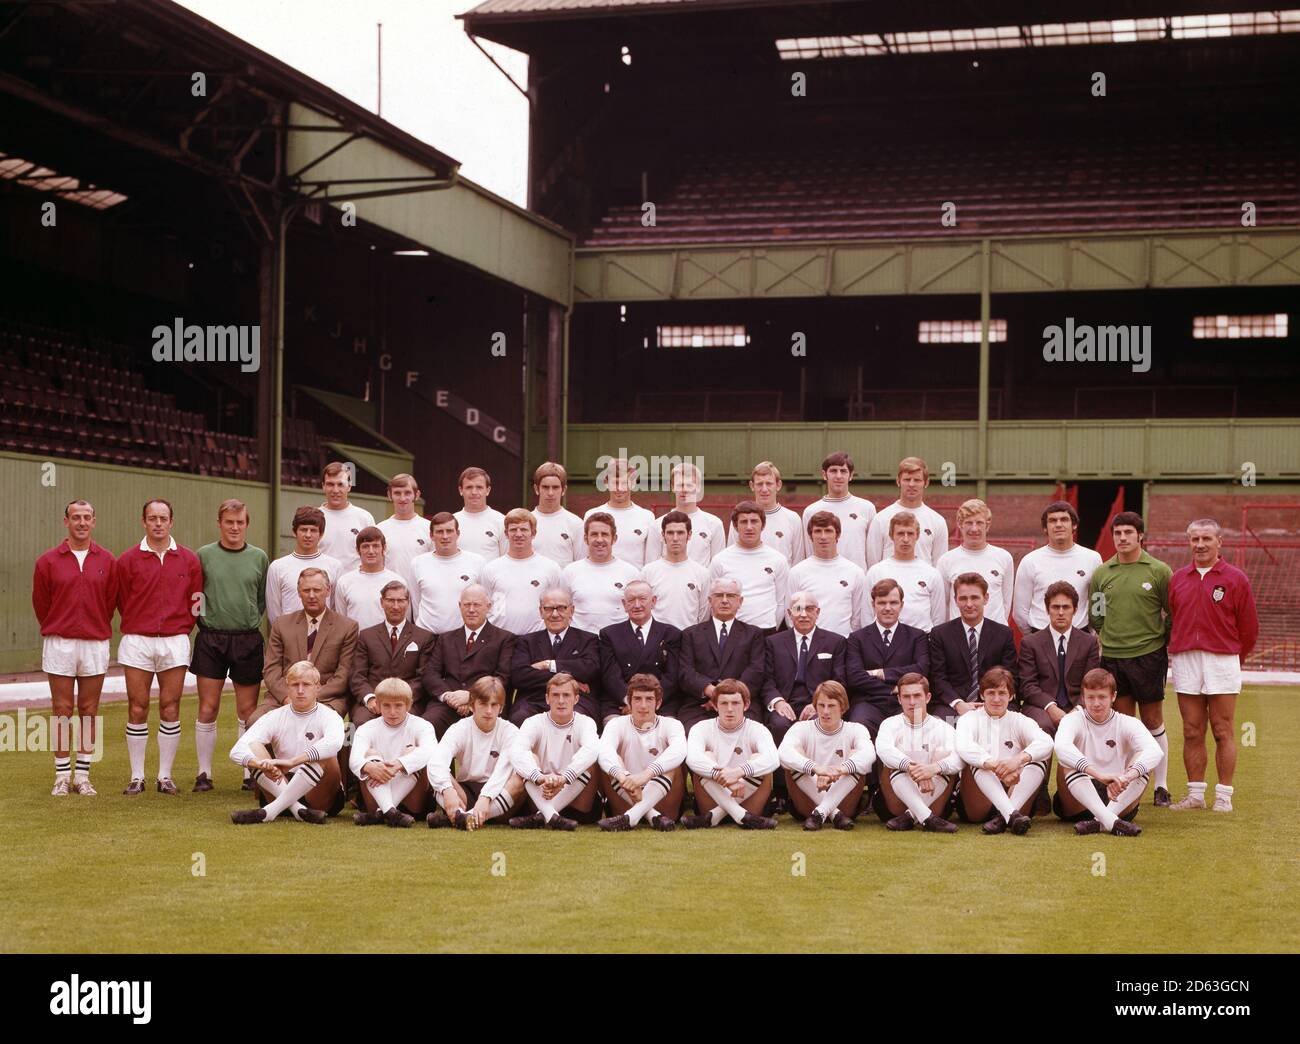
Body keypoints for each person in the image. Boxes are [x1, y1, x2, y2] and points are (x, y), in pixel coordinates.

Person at [1167, 518, 1258, 813]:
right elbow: (1173, 617)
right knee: (1192, 730)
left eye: (1207, 538)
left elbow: (1249, 628)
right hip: (1186, 659)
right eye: (1195, 539)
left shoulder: (1235, 578)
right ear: (1189, 542)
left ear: (1220, 542)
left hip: (1221, 660)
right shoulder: (1179, 578)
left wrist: (1233, 658)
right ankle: (1195, 795)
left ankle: (1223, 797)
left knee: (1222, 730)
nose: (1201, 544)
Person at [117, 498, 203, 796]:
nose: (157, 523)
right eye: (152, 518)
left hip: (175, 641)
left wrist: (181, 628)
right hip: (136, 641)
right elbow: (120, 598)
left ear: (171, 522)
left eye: (162, 518)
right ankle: (137, 776)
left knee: (170, 706)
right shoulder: (127, 560)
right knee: (137, 707)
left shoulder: (189, 559)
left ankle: (165, 776)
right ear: (143, 521)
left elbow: (197, 600)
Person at [33, 499, 117, 796]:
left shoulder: (107, 560)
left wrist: (91, 624)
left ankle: (82, 776)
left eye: (87, 517)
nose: (82, 522)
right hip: (60, 643)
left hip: (95, 643)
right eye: (76, 517)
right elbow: (42, 604)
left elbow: (109, 603)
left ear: (94, 522)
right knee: (61, 709)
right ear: (65, 521)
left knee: (89, 710)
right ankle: (61, 776)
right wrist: (63, 625)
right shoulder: (47, 561)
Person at [1090, 510, 1173, 806]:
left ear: (1140, 536)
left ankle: (1161, 786)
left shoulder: (1159, 571)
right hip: (1113, 657)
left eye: (1128, 533)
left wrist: (1157, 639)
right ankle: (1123, 782)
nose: (1122, 538)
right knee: (1124, 724)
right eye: (1117, 533)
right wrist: (1111, 636)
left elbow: (1171, 611)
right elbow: (1096, 615)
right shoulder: (1102, 573)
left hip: (1148, 657)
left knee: (1152, 721)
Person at [192, 498, 269, 792]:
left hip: (247, 639)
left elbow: (261, 598)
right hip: (211, 638)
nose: (234, 527)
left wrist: (246, 619)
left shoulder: (259, 557)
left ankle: (248, 772)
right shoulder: (204, 555)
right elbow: (196, 595)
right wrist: (206, 622)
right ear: (219, 523)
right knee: (208, 707)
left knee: (247, 709)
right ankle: (204, 773)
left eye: (240, 522)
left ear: (247, 524)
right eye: (229, 522)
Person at [229, 660, 345, 824]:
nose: (300, 690)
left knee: (326, 754)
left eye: (306, 685)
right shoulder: (274, 716)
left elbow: (334, 744)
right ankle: (298, 810)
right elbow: (236, 750)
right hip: (279, 784)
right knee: (253, 747)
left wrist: (292, 762)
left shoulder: (330, 716)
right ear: (287, 687)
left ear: (317, 687)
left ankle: (269, 812)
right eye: (294, 685)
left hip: (318, 795)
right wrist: (260, 764)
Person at [1054, 668, 1161, 836]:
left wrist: (1127, 777)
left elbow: (1155, 751)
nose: (1096, 703)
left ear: (1114, 696)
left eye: (1102, 697)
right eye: (1090, 697)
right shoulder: (1071, 719)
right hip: (1079, 799)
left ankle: (1100, 822)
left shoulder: (1127, 722)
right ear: (1083, 697)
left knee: (1144, 760)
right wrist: (1098, 775)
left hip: (1118, 795)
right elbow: (1061, 747)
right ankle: (1111, 822)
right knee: (1066, 761)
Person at [954, 667, 1053, 834]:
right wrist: (998, 768)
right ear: (981, 694)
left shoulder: (1020, 720)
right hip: (977, 802)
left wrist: (1017, 761)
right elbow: (964, 747)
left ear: (1012, 695)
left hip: (1014, 792)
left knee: (1039, 757)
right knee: (978, 761)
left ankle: (1006, 817)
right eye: (991, 693)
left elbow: (1046, 742)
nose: (996, 699)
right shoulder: (968, 719)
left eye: (1002, 693)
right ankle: (1010, 815)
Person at [254, 568, 358, 723]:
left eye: (317, 590)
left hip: (326, 699)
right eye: (306, 590)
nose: (311, 595)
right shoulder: (281, 624)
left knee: (320, 724)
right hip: (284, 698)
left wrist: (310, 697)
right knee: (255, 721)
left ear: (328, 590)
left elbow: (343, 674)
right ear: (298, 592)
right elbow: (271, 670)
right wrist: (288, 697)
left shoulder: (347, 627)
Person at [426, 676, 524, 829]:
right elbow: (437, 761)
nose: (489, 711)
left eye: (494, 705)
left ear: (501, 708)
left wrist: (486, 797)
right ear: (472, 705)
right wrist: (447, 790)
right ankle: (463, 816)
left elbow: (503, 771)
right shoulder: (459, 728)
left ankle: (463, 818)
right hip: (466, 793)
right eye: (483, 704)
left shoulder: (510, 731)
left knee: (521, 776)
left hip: (498, 794)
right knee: (435, 769)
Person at [681, 680, 779, 830]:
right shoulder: (701, 728)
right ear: (714, 705)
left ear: (746, 705)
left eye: (735, 703)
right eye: (724, 703)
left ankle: (713, 818)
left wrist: (737, 773)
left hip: (748, 798)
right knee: (705, 757)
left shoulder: (758, 729)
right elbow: (692, 759)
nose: (730, 709)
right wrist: (728, 780)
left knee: (759, 759)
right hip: (712, 798)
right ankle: (742, 816)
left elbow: (773, 759)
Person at [507, 673, 602, 830]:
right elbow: (516, 752)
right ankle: (550, 814)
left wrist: (564, 779)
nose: (561, 701)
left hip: (578, 804)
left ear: (576, 699)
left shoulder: (586, 722)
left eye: (566, 695)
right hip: (543, 794)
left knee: (591, 761)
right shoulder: (533, 722)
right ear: (547, 699)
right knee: (527, 758)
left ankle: (542, 816)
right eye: (555, 695)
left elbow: (591, 750)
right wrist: (540, 778)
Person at [777, 680, 874, 830]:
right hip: (807, 802)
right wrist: (817, 769)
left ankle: (821, 812)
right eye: (821, 706)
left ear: (843, 707)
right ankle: (834, 814)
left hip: (845, 800)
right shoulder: (801, 728)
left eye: (831, 706)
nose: (825, 711)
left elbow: (869, 754)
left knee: (858, 760)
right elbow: (783, 753)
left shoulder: (856, 729)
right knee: (793, 759)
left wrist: (839, 770)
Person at [596, 673, 687, 831]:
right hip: (625, 795)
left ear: (658, 703)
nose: (643, 705)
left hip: (664, 802)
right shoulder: (616, 724)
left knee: (672, 764)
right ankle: (651, 816)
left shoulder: (672, 724)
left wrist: (645, 775)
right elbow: (604, 752)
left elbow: (680, 750)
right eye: (637, 699)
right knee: (611, 760)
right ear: (629, 702)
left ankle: (631, 818)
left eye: (649, 699)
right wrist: (624, 777)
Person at [421, 584, 513, 737]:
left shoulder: (504, 639)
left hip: (485, 703)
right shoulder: (446, 638)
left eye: (476, 604)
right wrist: (449, 696)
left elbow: (503, 677)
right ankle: (439, 762)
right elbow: (430, 673)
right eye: (466, 604)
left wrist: (471, 697)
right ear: (460, 606)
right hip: (447, 704)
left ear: (488, 606)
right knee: (427, 726)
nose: (471, 609)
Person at [675, 578, 767, 732]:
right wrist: (712, 692)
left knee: (750, 735)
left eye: (730, 596)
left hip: (741, 704)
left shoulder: (753, 634)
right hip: (700, 704)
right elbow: (686, 672)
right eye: (719, 595)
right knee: (692, 734)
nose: (724, 601)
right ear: (710, 600)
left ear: (740, 601)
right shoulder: (690, 634)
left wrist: (726, 698)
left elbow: (756, 671)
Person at [873, 673, 961, 832]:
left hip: (934, 796)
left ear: (927, 697)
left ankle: (912, 816)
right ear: (899, 699)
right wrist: (915, 769)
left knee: (945, 758)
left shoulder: (943, 727)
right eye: (906, 697)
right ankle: (927, 818)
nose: (912, 702)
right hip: (894, 802)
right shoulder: (889, 724)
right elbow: (883, 750)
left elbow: (958, 760)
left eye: (917, 696)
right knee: (893, 759)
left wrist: (933, 769)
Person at [845, 579, 930, 737]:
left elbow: (921, 670)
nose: (888, 608)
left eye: (893, 602)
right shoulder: (857, 638)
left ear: (901, 605)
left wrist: (881, 673)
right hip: (868, 702)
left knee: (915, 728)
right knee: (859, 726)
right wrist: (893, 689)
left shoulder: (917, 636)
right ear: (873, 605)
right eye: (882, 603)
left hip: (906, 702)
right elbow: (855, 676)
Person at [927, 572, 1017, 722]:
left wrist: (990, 703)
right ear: (955, 600)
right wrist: (958, 704)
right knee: (945, 726)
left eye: (975, 597)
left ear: (986, 598)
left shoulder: (1003, 634)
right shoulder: (940, 634)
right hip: (951, 704)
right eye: (963, 598)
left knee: (1001, 727)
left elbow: (1010, 676)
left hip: (994, 701)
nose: (969, 604)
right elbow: (938, 677)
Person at [349, 678, 437, 827]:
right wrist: (370, 767)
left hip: (413, 802)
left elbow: (430, 751)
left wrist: (399, 764)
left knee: (413, 752)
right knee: (370, 755)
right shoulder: (366, 728)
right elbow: (354, 759)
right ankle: (390, 812)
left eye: (398, 706)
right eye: (386, 705)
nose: (392, 712)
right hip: (377, 794)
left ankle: (382, 813)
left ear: (409, 705)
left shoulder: (423, 725)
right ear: (377, 704)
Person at [760, 592, 845, 745]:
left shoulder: (836, 642)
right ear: (789, 613)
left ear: (817, 612)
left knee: (819, 723)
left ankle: (816, 769)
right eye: (798, 609)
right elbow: (766, 679)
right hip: (785, 699)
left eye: (809, 609)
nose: (803, 614)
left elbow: (839, 680)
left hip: (819, 702)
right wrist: (778, 702)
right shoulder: (773, 642)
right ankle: (784, 769)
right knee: (779, 724)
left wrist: (818, 704)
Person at [508, 586, 601, 724]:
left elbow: (589, 669)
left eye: (561, 608)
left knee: (580, 721)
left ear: (572, 610)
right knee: (519, 717)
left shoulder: (588, 639)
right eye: (549, 608)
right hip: (535, 699)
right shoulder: (526, 641)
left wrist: (548, 665)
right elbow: (519, 675)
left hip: (576, 700)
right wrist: (570, 681)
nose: (555, 614)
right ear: (541, 611)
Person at [1018, 581, 1101, 734]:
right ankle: (1039, 759)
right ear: (1047, 610)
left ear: (1075, 609)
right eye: (1055, 607)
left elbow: (1092, 683)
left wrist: (1078, 709)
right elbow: (1028, 685)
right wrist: (1051, 707)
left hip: (1078, 704)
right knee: (1041, 726)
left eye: (1066, 607)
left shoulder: (1089, 642)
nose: (1061, 612)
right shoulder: (1030, 643)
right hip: (1041, 705)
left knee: (1086, 725)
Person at [349, 581, 436, 726]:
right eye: (390, 600)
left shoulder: (424, 637)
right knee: (360, 721)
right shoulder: (366, 636)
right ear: (382, 602)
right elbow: (357, 675)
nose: (395, 606)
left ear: (408, 603)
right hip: (375, 700)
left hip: (407, 701)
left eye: (400, 601)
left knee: (409, 724)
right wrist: (370, 698)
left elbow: (423, 677)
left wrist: (402, 699)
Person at [1012, 501, 1102, 634]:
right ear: (1045, 528)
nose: (1058, 524)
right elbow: (1020, 611)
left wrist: (1090, 635)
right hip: (1040, 635)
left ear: (1074, 525)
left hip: (1080, 635)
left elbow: (1098, 603)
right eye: (1053, 521)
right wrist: (1035, 638)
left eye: (1064, 520)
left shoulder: (1093, 558)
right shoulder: (1030, 561)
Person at [598, 580, 680, 721]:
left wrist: (650, 703)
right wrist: (629, 702)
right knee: (614, 729)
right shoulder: (609, 634)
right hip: (620, 703)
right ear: (624, 605)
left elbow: (672, 677)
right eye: (631, 600)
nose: (637, 605)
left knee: (668, 732)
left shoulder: (671, 634)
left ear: (653, 601)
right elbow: (611, 675)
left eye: (642, 599)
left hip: (661, 704)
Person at [709, 501, 790, 633]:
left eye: (754, 521)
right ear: (735, 526)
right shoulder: (720, 560)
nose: (749, 527)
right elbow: (713, 601)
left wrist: (771, 627)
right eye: (743, 522)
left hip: (766, 631)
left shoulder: (778, 560)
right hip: (731, 633)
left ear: (762, 525)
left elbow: (781, 602)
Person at [480, 508, 562, 635]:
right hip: (500, 640)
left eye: (523, 529)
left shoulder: (551, 568)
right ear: (506, 533)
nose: (518, 534)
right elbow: (485, 608)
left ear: (533, 533)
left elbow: (558, 606)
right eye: (513, 530)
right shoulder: (491, 569)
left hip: (537, 640)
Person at [786, 511, 866, 637]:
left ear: (837, 534)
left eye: (828, 531)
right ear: (811, 535)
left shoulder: (855, 572)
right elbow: (792, 613)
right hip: (808, 646)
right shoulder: (797, 572)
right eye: (818, 531)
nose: (823, 536)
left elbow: (857, 617)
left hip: (843, 645)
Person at [862, 513, 945, 632]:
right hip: (885, 642)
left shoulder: (932, 574)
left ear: (917, 536)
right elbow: (867, 616)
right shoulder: (876, 572)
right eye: (900, 533)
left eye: (910, 533)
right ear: (891, 536)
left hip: (921, 642)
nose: (905, 539)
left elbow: (938, 619)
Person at [561, 512, 642, 633]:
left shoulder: (631, 573)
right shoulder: (570, 572)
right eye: (594, 534)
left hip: (618, 644)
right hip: (581, 644)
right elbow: (562, 611)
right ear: (585, 538)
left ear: (614, 538)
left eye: (604, 534)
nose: (599, 540)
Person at [937, 499, 1014, 624]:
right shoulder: (946, 561)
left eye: (979, 523)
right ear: (960, 525)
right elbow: (943, 604)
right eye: (968, 523)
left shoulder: (1004, 558)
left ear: (987, 526)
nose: (974, 528)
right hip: (959, 636)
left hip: (995, 636)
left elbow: (1006, 602)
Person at [409, 512, 485, 635]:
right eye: (439, 532)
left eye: (449, 531)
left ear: (458, 534)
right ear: (431, 536)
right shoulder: (418, 563)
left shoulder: (477, 562)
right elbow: (416, 602)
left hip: (463, 638)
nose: (445, 536)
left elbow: (484, 601)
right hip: (426, 637)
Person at [865, 456, 947, 568]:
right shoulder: (881, 519)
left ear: (926, 483)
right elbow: (873, 564)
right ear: (898, 481)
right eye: (907, 479)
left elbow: (939, 565)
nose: (912, 484)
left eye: (917, 480)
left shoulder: (937, 521)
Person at [265, 506, 342, 625]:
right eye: (303, 529)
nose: (308, 535)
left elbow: (336, 608)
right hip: (289, 637)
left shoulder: (334, 566)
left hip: (324, 637)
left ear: (321, 534)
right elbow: (273, 611)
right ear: (294, 532)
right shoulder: (277, 567)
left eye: (313, 530)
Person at [800, 451, 876, 572]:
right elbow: (809, 552)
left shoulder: (867, 508)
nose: (838, 476)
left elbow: (873, 552)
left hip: (858, 582)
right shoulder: (811, 511)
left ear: (851, 475)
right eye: (833, 471)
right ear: (824, 475)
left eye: (843, 471)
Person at [644, 461, 725, 565]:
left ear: (699, 487)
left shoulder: (714, 524)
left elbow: (717, 568)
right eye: (680, 485)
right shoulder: (656, 525)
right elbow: (651, 567)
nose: (684, 489)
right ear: (673, 487)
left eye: (689, 485)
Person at [640, 511, 711, 631]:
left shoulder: (702, 574)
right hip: (657, 642)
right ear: (663, 536)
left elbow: (703, 614)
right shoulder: (648, 572)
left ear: (689, 535)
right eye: (670, 533)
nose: (675, 538)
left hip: (689, 641)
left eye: (680, 533)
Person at [583, 456, 656, 568]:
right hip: (601, 581)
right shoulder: (591, 515)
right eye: (615, 483)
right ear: (606, 483)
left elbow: (651, 561)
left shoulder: (647, 516)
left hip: (634, 582)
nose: (619, 488)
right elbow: (585, 556)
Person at [729, 460, 805, 564]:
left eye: (769, 483)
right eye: (760, 484)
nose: (764, 489)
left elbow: (798, 561)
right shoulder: (740, 518)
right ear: (752, 486)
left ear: (778, 485)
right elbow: (731, 557)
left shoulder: (793, 518)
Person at [332, 527, 404, 630]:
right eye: (365, 546)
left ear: (384, 548)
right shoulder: (344, 582)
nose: (371, 551)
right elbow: (341, 620)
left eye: (375, 546)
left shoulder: (397, 582)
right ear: (358, 550)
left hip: (387, 644)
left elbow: (402, 620)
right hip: (355, 643)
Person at [375, 473, 430, 592]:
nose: (402, 498)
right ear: (389, 495)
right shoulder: (380, 530)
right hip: (391, 598)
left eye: (407, 493)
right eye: (397, 493)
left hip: (421, 597)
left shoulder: (429, 528)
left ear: (417, 495)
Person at [318, 461, 376, 573]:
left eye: (340, 484)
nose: (335, 490)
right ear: (323, 486)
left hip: (355, 586)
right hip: (321, 587)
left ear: (349, 486)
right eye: (330, 484)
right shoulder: (314, 517)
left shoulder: (364, 517)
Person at [529, 462, 585, 566]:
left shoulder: (576, 523)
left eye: (555, 487)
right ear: (537, 489)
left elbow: (581, 565)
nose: (550, 493)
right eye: (545, 487)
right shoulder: (526, 522)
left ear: (563, 490)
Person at [453, 466, 507, 560]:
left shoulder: (501, 521)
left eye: (479, 487)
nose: (474, 492)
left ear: (488, 490)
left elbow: (506, 559)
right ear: (461, 490)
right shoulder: (452, 522)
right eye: (469, 487)